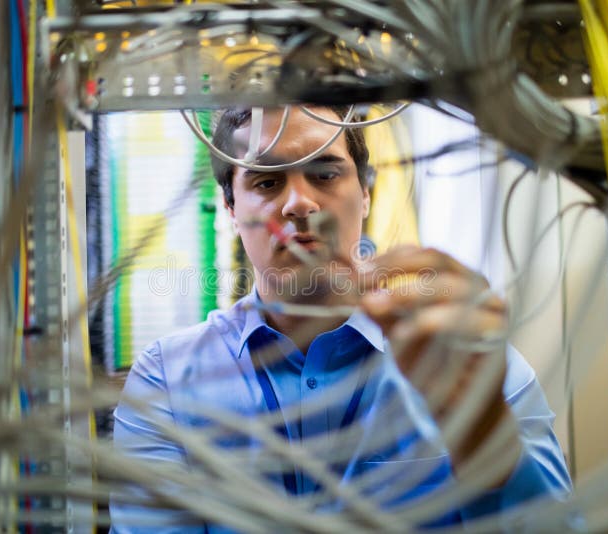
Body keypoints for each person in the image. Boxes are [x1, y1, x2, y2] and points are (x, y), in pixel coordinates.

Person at [110, 107, 571, 532]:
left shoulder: (465, 360)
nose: (299, 203)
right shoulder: (167, 381)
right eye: (267, 181)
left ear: (366, 195)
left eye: (325, 173)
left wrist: (484, 436)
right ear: (231, 209)